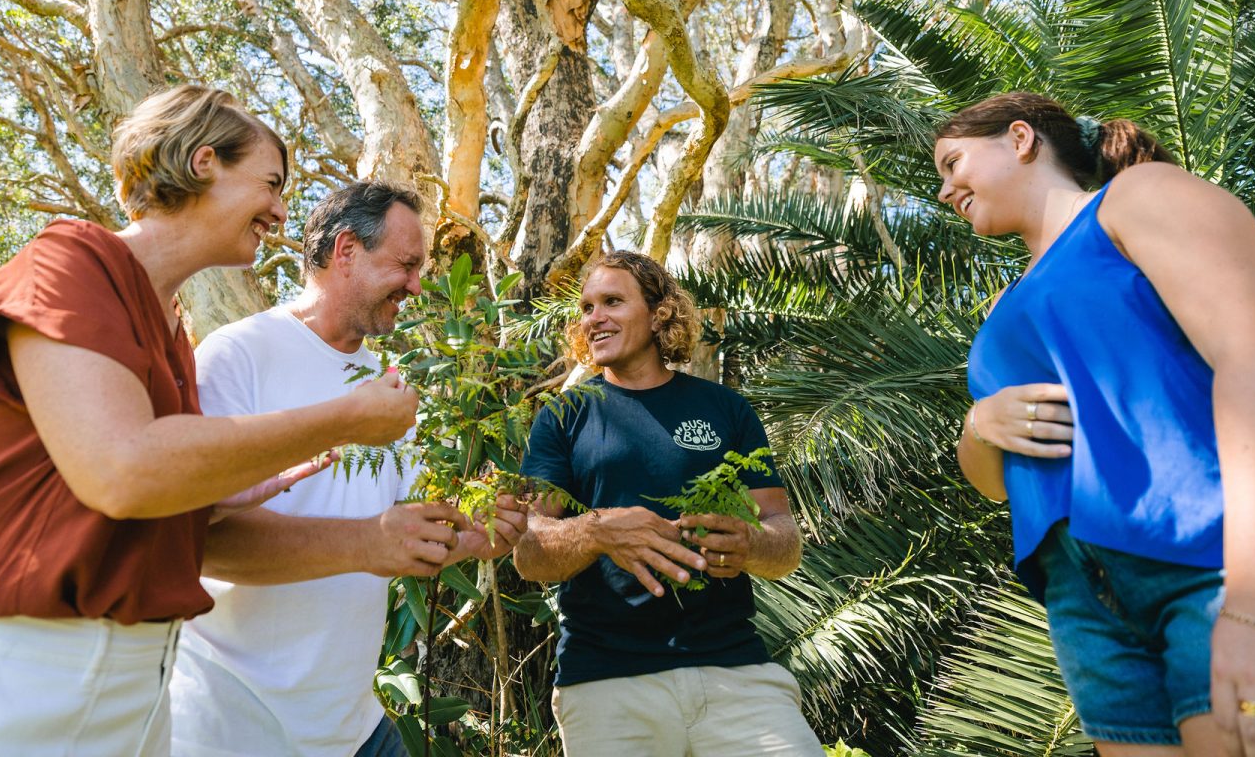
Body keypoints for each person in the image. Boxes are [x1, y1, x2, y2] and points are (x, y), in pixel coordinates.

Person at [0, 86, 418, 757]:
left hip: (130, 693)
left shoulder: (175, 334)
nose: (279, 208)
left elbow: (142, 500)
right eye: (269, 182)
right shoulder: (70, 263)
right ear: (204, 162)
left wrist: (211, 502)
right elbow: (124, 469)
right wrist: (346, 418)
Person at [940, 92, 1255, 757]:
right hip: (1084, 603)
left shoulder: (1134, 200)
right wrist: (979, 424)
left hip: (1209, 558)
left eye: (952, 163)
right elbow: (995, 485)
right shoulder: (1004, 302)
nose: (945, 190)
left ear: (1020, 138)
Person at [169, 180, 527, 757]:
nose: (416, 284)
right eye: (406, 264)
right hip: (229, 717)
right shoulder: (239, 354)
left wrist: (474, 535)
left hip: (352, 724)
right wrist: (366, 544)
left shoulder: (388, 385)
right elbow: (202, 541)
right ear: (345, 251)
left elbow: (398, 532)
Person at [513, 250, 825, 757]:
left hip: (736, 671)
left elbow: (784, 539)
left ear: (660, 313)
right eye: (588, 307)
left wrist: (749, 543)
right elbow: (528, 551)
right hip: (606, 682)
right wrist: (597, 530)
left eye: (612, 301)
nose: (595, 318)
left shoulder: (726, 408)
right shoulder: (563, 415)